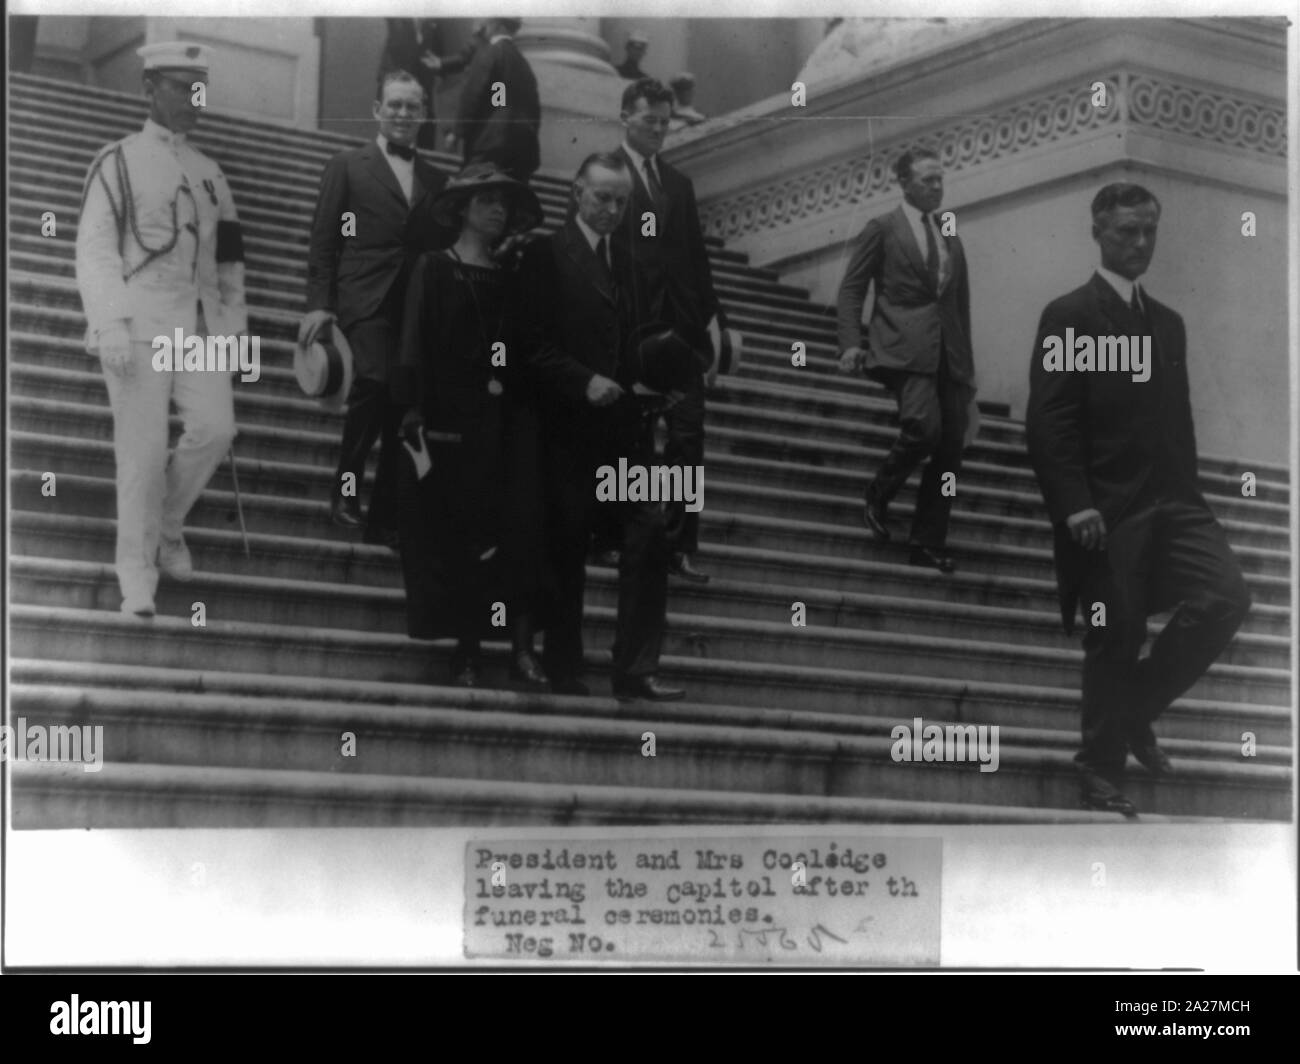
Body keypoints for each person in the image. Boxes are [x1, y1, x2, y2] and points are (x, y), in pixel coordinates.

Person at [1025, 183, 1251, 817]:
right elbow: (1050, 422)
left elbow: (1179, 425)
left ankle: (1133, 712)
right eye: (1127, 231)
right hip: (1107, 510)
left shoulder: (1169, 324)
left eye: (1150, 231)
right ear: (1098, 231)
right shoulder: (1070, 315)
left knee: (1227, 596)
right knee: (1114, 631)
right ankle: (1097, 770)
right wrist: (1075, 505)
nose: (1141, 243)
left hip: (1174, 504)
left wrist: (1193, 502)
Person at [74, 42, 244, 618]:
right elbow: (95, 252)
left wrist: (231, 338)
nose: (193, 98)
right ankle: (136, 577)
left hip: (195, 331)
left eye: (200, 88)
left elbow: (228, 269)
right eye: (180, 86)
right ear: (150, 89)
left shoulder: (212, 175)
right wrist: (110, 324)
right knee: (142, 457)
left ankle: (169, 523)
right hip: (139, 327)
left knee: (216, 429)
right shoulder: (117, 160)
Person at [526, 152, 687, 701]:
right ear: (575, 191)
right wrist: (582, 380)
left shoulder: (632, 262)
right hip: (565, 428)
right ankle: (565, 664)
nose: (611, 209)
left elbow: (640, 337)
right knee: (567, 544)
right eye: (601, 197)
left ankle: (636, 667)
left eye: (621, 201)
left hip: (627, 430)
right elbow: (529, 346)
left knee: (652, 530)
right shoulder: (545, 253)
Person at [390, 164, 553, 690]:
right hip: (450, 420)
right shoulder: (433, 268)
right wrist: (413, 410)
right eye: (486, 201)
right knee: (458, 538)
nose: (498, 211)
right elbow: (413, 342)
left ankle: (521, 649)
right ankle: (466, 650)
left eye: (504, 204)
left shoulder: (513, 275)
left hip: (506, 422)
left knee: (513, 534)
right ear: (461, 208)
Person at [300, 70, 448, 548]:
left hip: (415, 304)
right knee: (373, 382)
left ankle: (385, 516)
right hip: (363, 297)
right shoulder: (348, 164)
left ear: (424, 114)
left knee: (402, 400)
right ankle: (344, 490)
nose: (403, 114)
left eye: (412, 106)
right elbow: (324, 242)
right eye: (395, 105)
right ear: (377, 111)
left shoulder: (435, 179)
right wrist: (320, 305)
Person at [835, 147, 976, 574]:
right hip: (902, 347)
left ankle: (928, 541)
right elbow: (851, 289)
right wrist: (849, 343)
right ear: (904, 183)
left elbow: (959, 303)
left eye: (940, 179)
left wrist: (968, 374)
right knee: (922, 429)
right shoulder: (882, 227)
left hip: (948, 356)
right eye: (928, 180)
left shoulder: (949, 229)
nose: (937, 187)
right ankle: (879, 492)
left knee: (951, 450)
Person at [614, 77, 721, 585]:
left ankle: (680, 543)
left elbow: (697, 261)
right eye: (649, 120)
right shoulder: (606, 174)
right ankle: (624, 536)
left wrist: (715, 326)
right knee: (630, 439)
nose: (659, 130)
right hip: (628, 330)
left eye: (664, 122)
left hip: (680, 334)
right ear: (625, 118)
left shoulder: (678, 184)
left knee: (688, 437)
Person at [453, 17, 541, 183]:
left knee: (471, 193)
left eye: (487, 22)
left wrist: (458, 131)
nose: (484, 26)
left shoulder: (490, 52)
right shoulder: (524, 65)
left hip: (491, 145)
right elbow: (534, 109)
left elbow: (474, 94)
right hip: (523, 149)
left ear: (497, 25)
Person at [378, 18, 478, 150]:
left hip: (425, 90)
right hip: (396, 87)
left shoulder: (435, 22)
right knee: (394, 136)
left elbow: (454, 59)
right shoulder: (397, 17)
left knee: (425, 137)